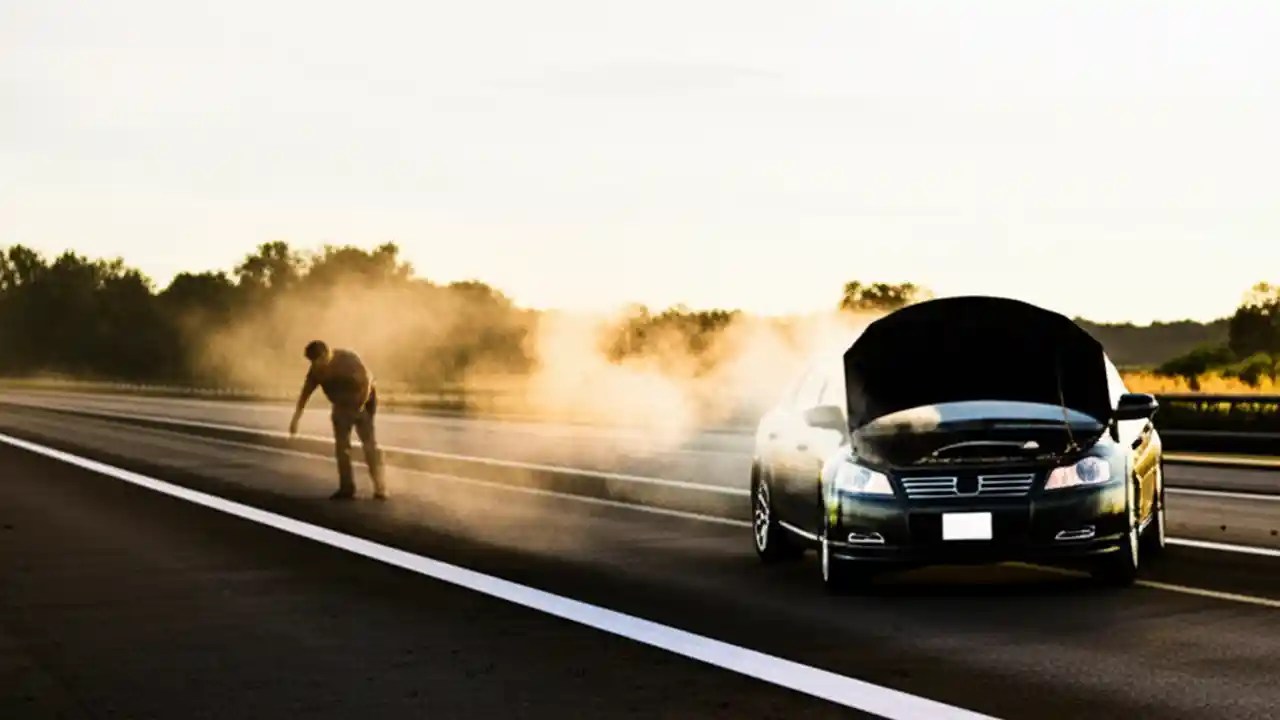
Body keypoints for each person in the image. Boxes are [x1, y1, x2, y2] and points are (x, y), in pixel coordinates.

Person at [289, 340, 388, 500]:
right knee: (342, 447)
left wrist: (360, 405)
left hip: (364, 401)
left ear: (327, 354)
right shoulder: (316, 370)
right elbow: (305, 393)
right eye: (313, 362)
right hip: (341, 405)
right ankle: (346, 487)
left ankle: (380, 487)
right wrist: (296, 418)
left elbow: (367, 380)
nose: (317, 365)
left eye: (319, 360)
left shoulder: (347, 359)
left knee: (369, 445)